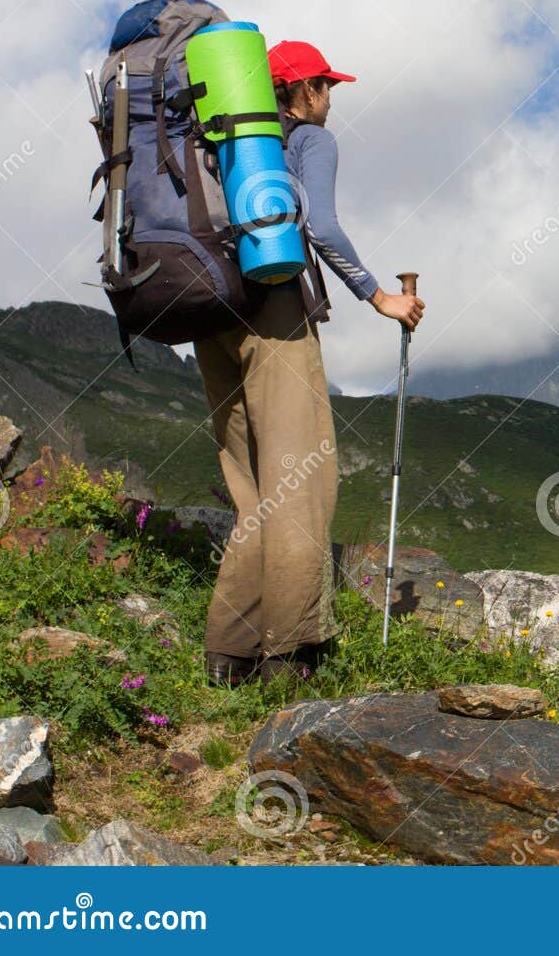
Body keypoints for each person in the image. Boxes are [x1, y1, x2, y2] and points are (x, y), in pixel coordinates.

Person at [196, 39, 425, 685]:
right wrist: (379, 296)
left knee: (251, 487)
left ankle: (229, 656)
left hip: (210, 314)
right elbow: (320, 227)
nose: (329, 99)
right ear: (301, 91)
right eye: (324, 86)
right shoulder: (310, 141)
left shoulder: (219, 144)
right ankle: (292, 655)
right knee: (300, 479)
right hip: (271, 309)